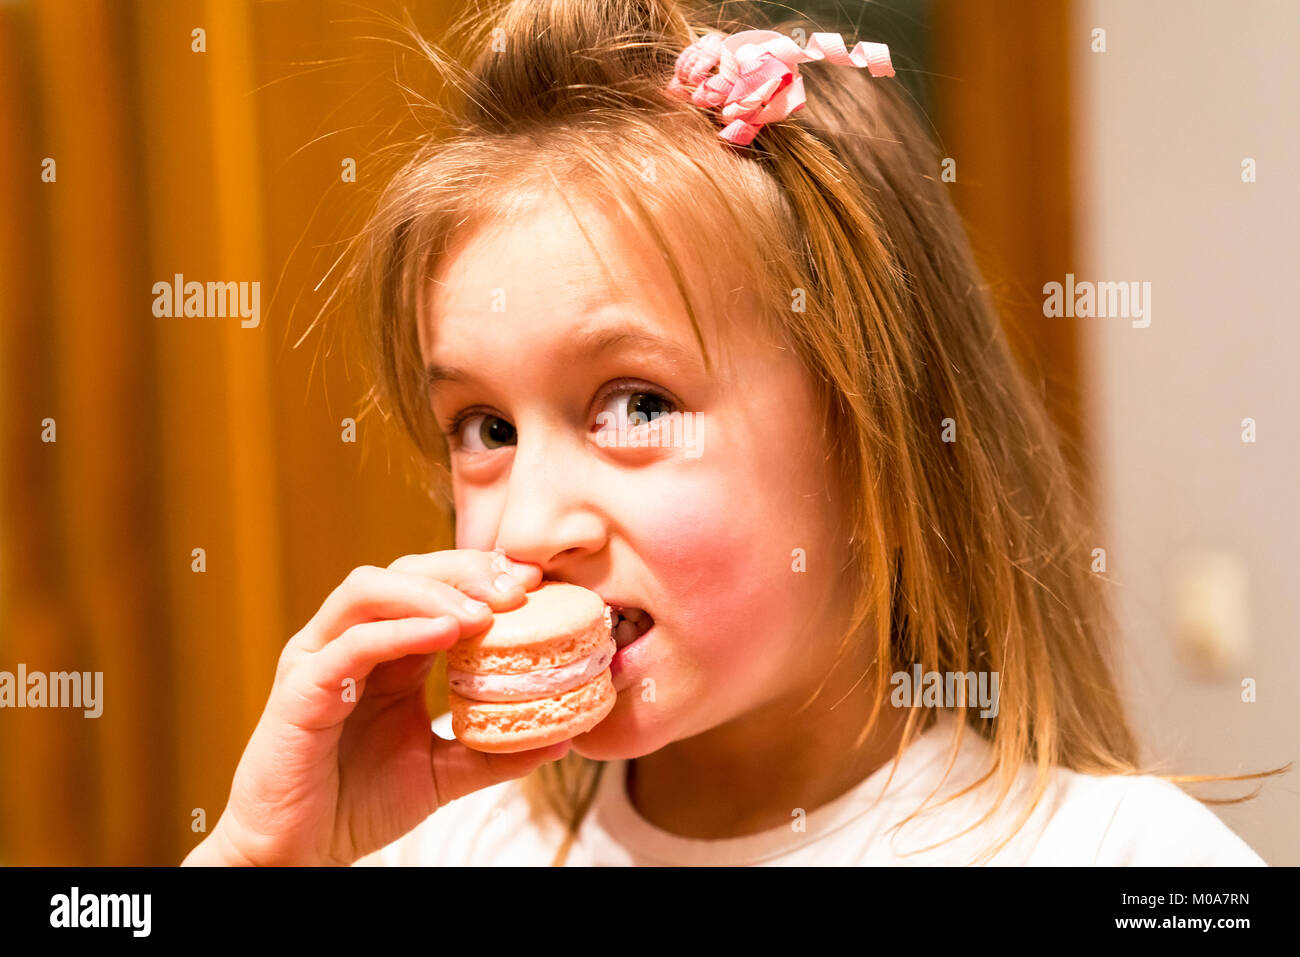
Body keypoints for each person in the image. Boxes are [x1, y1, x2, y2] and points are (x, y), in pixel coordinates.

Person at [183, 0, 1280, 867]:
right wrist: (253, 859)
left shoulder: (1117, 858)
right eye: (483, 426)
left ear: (873, 435)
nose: (523, 526)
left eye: (637, 405)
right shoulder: (431, 849)